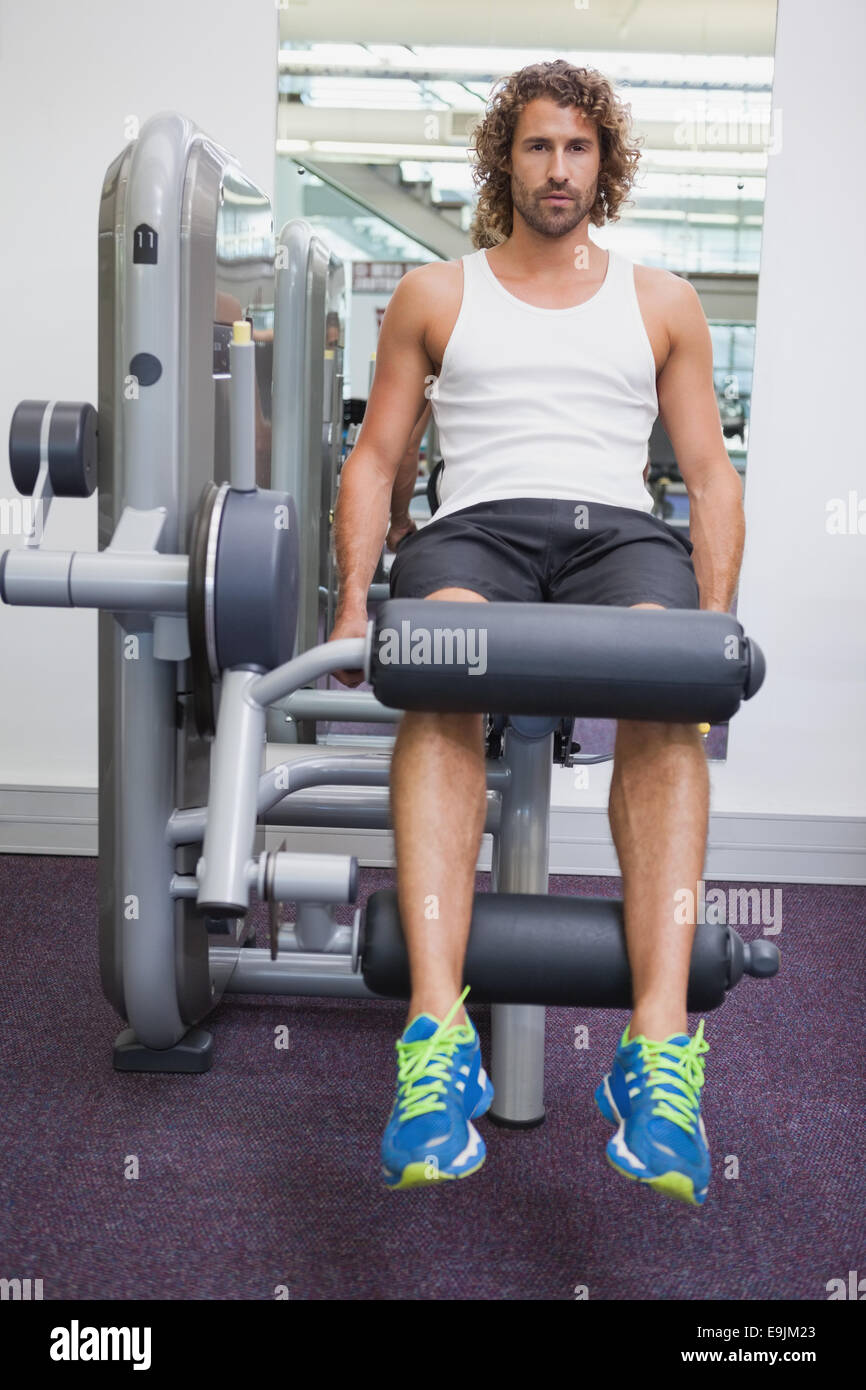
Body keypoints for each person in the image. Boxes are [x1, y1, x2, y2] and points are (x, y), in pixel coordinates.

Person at [328, 59, 744, 1206]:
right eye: (534, 147)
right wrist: (358, 603)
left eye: (576, 148)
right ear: (501, 161)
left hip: (616, 538)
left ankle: (655, 1058)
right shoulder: (434, 292)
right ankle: (433, 1044)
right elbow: (379, 459)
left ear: (601, 163)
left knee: (665, 684)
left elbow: (705, 473)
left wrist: (709, 625)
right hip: (475, 532)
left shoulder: (659, 300)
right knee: (442, 667)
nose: (555, 169)